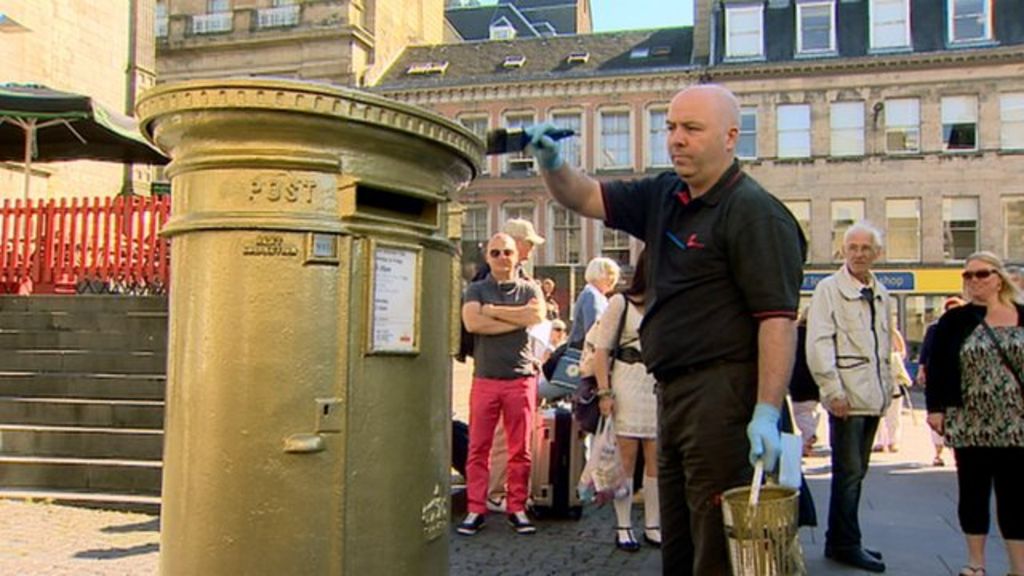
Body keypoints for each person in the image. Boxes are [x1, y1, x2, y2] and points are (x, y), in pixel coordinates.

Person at [525, 83, 805, 575]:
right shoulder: (664, 195)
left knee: (716, 541)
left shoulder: (754, 214)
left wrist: (765, 411)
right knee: (678, 535)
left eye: (692, 129)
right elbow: (585, 196)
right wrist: (552, 164)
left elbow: (777, 322)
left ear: (730, 137)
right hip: (670, 392)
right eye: (670, 127)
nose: (676, 138)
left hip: (723, 395)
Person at [925, 252, 1024, 576]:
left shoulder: (1021, 315)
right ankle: (976, 564)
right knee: (973, 491)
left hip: (1016, 421)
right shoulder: (955, 321)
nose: (973, 281)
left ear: (999, 278)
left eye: (981, 274)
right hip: (969, 419)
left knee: (1015, 495)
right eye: (967, 276)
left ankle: (1018, 567)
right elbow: (938, 367)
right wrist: (936, 409)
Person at [806, 221, 893, 573]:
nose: (858, 254)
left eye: (865, 248)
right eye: (852, 247)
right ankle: (845, 543)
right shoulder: (829, 288)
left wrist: (887, 391)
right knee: (848, 473)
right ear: (843, 251)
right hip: (848, 396)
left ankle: (841, 537)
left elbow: (884, 345)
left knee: (857, 473)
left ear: (877, 253)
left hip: (873, 395)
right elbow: (819, 342)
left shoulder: (881, 291)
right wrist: (832, 390)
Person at [457, 233, 546, 536]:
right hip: (485, 379)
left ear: (517, 255)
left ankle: (516, 507)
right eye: (494, 252)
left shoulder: (530, 288)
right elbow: (471, 323)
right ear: (487, 257)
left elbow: (537, 315)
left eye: (506, 252)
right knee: (477, 448)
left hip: (520, 379)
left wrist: (492, 311)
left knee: (520, 449)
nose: (501, 257)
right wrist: (515, 319)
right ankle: (475, 508)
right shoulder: (476, 288)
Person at [593, 251, 660, 552]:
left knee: (657, 459)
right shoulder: (621, 303)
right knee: (626, 459)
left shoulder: (667, 302)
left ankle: (653, 524)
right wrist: (604, 392)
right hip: (627, 381)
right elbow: (601, 350)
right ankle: (623, 526)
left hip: (656, 383)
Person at [917, 295, 967, 466]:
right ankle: (938, 453)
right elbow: (927, 353)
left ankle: (955, 453)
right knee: (940, 421)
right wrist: (922, 369)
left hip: (963, 386)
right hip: (940, 383)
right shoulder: (936, 328)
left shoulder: (971, 326)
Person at [567, 257, 620, 347]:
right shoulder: (591, 296)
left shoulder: (596, 296)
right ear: (598, 275)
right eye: (609, 274)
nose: (613, 279)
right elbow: (593, 331)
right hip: (583, 352)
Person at [789, 309, 821, 456]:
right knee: (812, 408)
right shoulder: (818, 336)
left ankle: (808, 434)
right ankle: (808, 438)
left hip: (798, 378)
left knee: (801, 411)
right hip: (816, 378)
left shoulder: (794, 333)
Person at [874, 328, 911, 453]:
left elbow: (902, 351)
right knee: (877, 414)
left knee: (894, 414)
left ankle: (893, 441)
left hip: (893, 384)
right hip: (876, 383)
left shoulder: (894, 355)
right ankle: (880, 441)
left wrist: (892, 330)